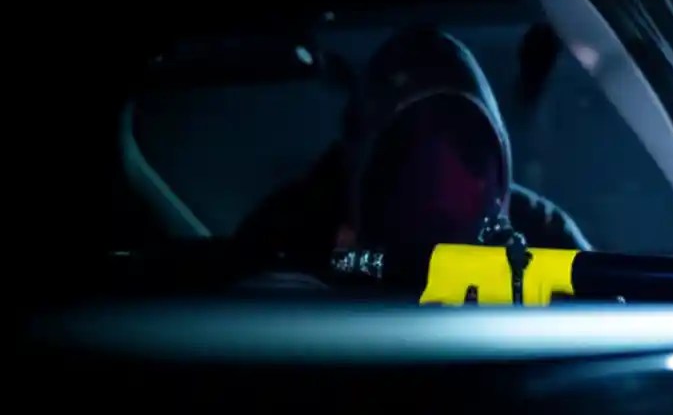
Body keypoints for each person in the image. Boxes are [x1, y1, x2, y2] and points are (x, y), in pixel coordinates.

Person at [237, 25, 589, 272]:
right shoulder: (293, 235)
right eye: (405, 156)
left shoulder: (543, 236)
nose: (438, 181)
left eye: (465, 147)